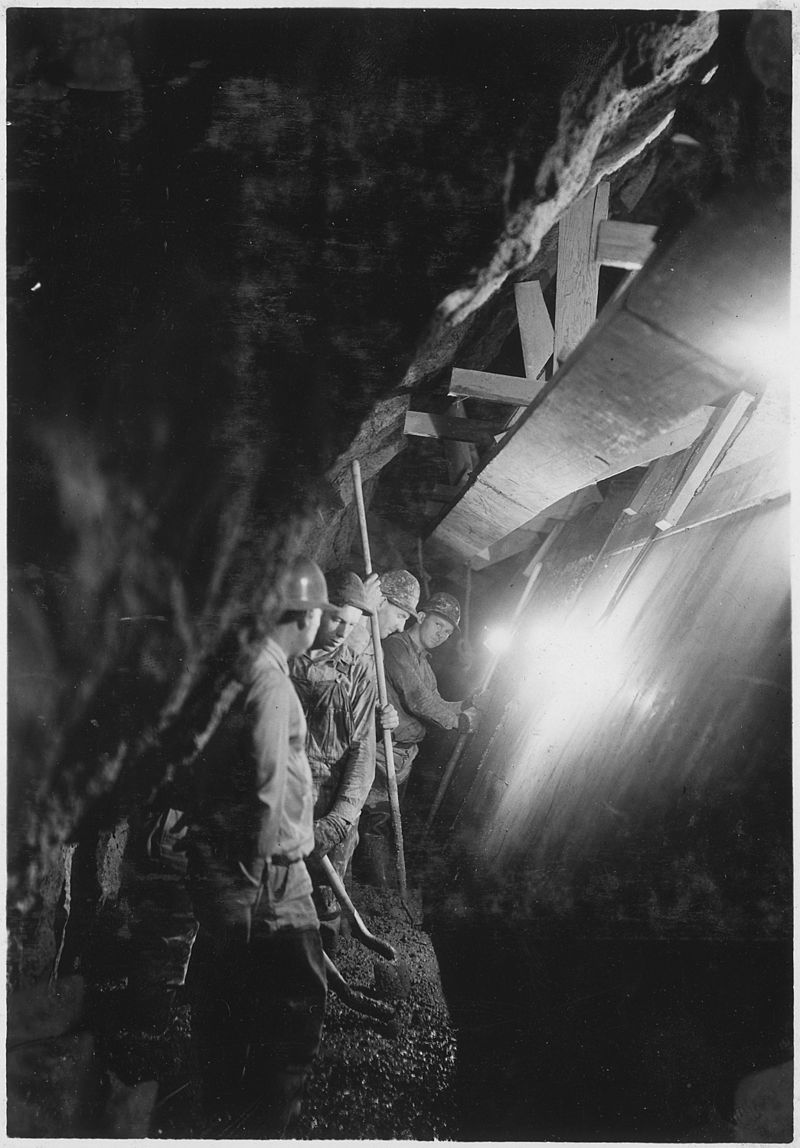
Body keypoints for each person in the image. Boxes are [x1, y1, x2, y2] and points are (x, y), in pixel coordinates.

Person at [185, 556, 331, 1137]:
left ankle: (225, 1112)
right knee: (296, 1004)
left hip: (243, 865)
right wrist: (248, 893)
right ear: (308, 615)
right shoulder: (270, 685)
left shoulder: (242, 669)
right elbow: (266, 792)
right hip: (269, 876)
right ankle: (268, 1128)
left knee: (232, 1004)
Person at [289, 569, 385, 957]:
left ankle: (318, 980)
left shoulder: (358, 673)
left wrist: (339, 819)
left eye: (352, 623)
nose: (344, 631)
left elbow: (362, 751)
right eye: (337, 619)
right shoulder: (285, 658)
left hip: (327, 804)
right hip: (280, 796)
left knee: (324, 901)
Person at [358, 590, 479, 885]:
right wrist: (461, 722)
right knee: (375, 820)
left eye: (449, 631)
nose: (442, 634)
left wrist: (470, 703)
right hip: (379, 751)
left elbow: (437, 701)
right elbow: (419, 701)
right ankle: (376, 887)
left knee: (382, 822)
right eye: (439, 625)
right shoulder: (396, 648)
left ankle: (371, 885)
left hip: (402, 757)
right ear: (421, 617)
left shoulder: (424, 664)